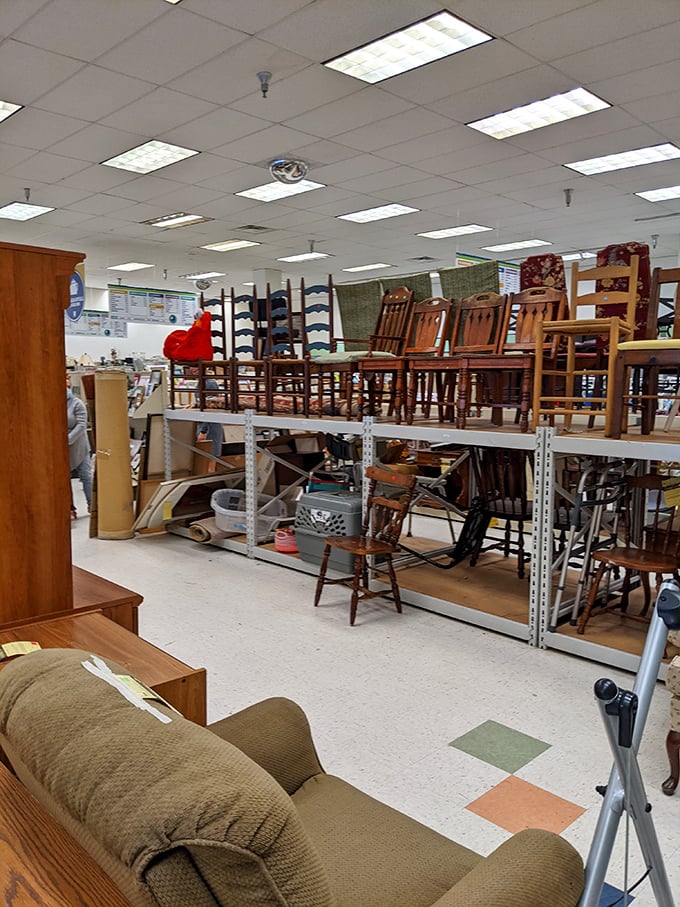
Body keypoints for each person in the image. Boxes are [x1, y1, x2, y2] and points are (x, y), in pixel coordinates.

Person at [66, 374, 92, 519]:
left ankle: (91, 504)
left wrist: (68, 439)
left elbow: (82, 425)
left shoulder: (77, 403)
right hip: (61, 447)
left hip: (79, 444)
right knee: (64, 478)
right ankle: (70, 508)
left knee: (86, 475)